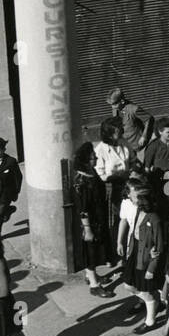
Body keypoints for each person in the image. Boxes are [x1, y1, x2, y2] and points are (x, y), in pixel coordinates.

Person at [75, 125, 114, 296]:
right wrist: (88, 229)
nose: (96, 158)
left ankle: (92, 275)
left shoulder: (91, 175)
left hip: (98, 219)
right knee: (90, 252)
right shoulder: (82, 182)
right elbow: (83, 209)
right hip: (90, 224)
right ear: (85, 160)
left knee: (96, 250)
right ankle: (94, 285)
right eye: (92, 158)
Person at [122, 189, 167, 333]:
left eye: (135, 197)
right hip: (134, 253)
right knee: (128, 285)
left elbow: (159, 246)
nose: (131, 198)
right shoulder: (137, 212)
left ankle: (150, 320)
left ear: (142, 201)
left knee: (144, 289)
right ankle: (153, 301)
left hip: (145, 259)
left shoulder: (154, 219)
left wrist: (151, 268)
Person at [107, 87, 154, 153]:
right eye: (111, 105)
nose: (112, 107)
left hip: (139, 145)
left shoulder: (134, 109)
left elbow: (149, 119)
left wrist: (144, 136)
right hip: (126, 145)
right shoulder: (115, 110)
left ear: (122, 101)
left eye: (114, 104)